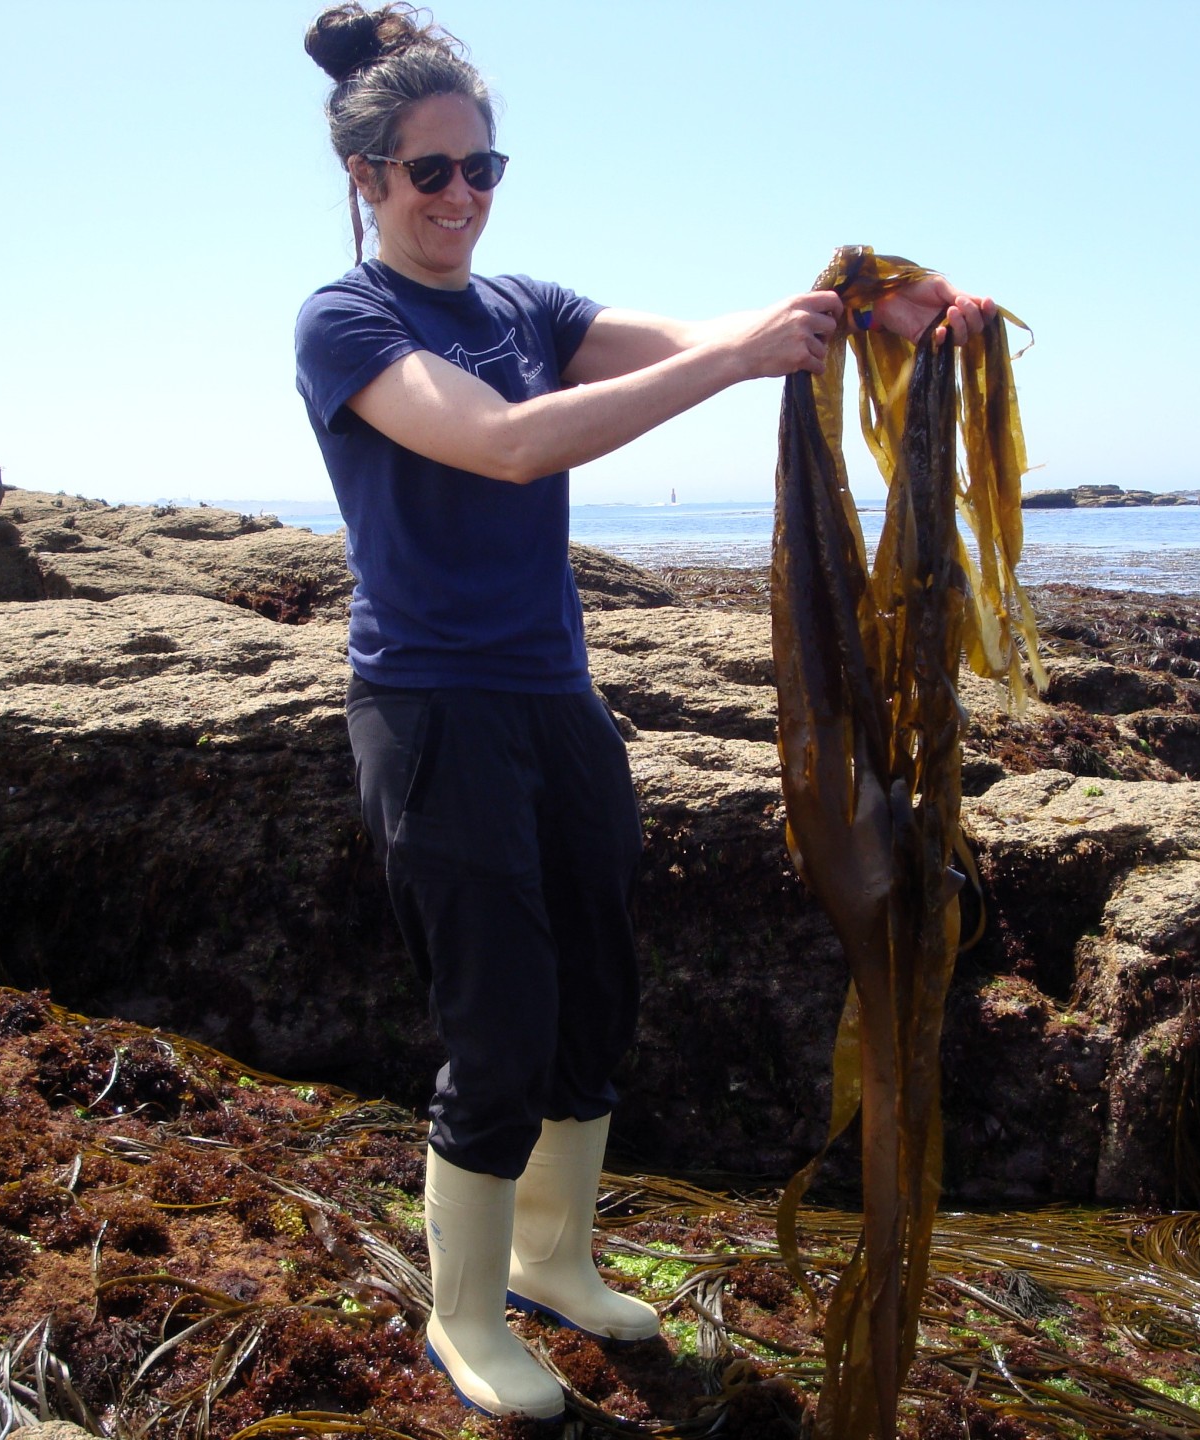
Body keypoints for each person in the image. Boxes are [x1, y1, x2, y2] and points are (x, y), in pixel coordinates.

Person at [294, 3, 994, 1419]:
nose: (461, 197)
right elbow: (505, 444)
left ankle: (554, 1261)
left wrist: (866, 305)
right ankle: (464, 1313)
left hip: (557, 701)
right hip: (432, 712)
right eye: (431, 172)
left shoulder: (525, 308)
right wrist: (738, 364)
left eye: (484, 168)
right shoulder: (349, 321)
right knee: (498, 1022)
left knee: (600, 997)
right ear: (366, 177)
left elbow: (697, 330)